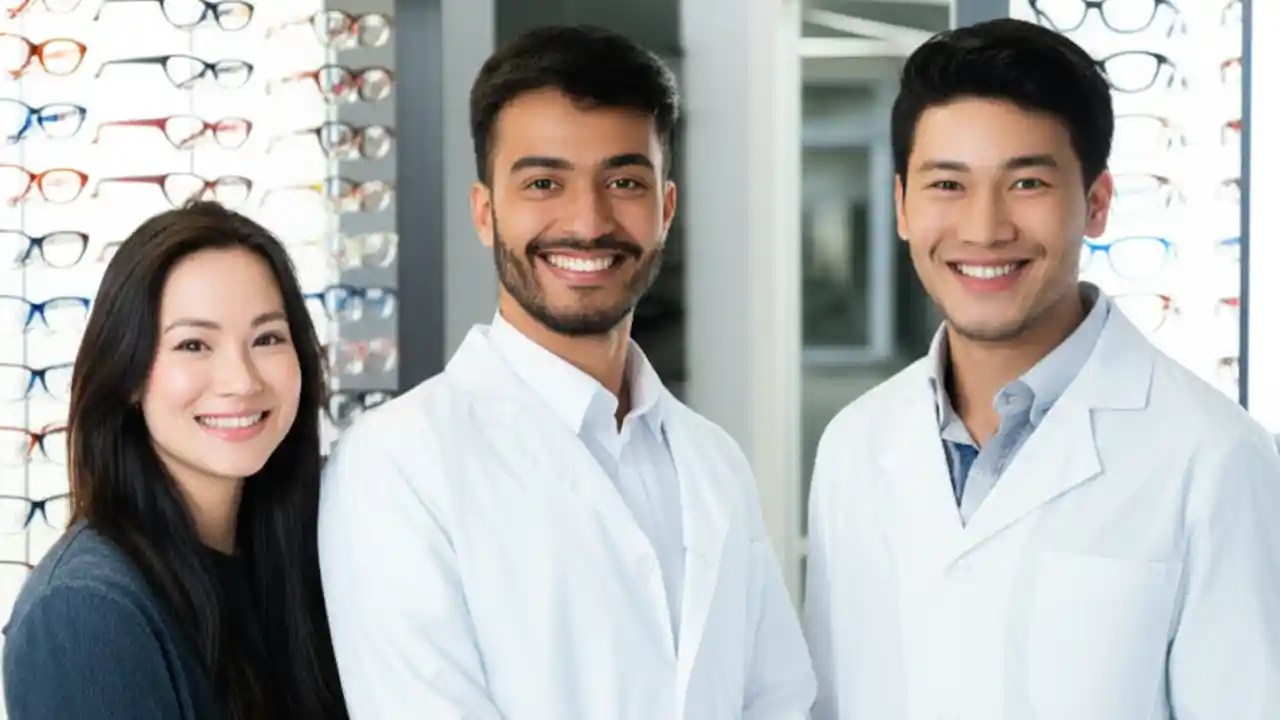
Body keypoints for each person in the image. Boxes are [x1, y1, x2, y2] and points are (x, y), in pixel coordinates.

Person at [318, 24, 816, 719]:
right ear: (486, 213)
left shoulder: (714, 462)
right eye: (544, 183)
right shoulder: (398, 465)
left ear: (666, 210)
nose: (588, 220)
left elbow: (779, 701)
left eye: (624, 181)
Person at [805, 18, 1280, 720]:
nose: (984, 229)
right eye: (948, 184)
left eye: (1026, 182)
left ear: (1096, 203)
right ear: (903, 206)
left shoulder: (1215, 458)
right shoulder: (854, 444)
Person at [2, 202, 349, 720]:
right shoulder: (86, 612)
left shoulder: (306, 554)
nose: (242, 379)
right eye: (193, 345)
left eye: (267, 338)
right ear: (128, 374)